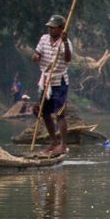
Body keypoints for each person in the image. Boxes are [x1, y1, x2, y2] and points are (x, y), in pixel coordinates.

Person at [32, 14, 71, 155]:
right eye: (49, 27)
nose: (50, 30)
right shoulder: (44, 39)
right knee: (44, 112)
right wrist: (36, 57)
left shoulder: (65, 42)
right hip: (46, 81)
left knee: (60, 114)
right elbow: (36, 54)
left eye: (53, 28)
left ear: (61, 29)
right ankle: (53, 142)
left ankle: (63, 145)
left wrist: (65, 43)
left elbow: (68, 58)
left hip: (59, 81)